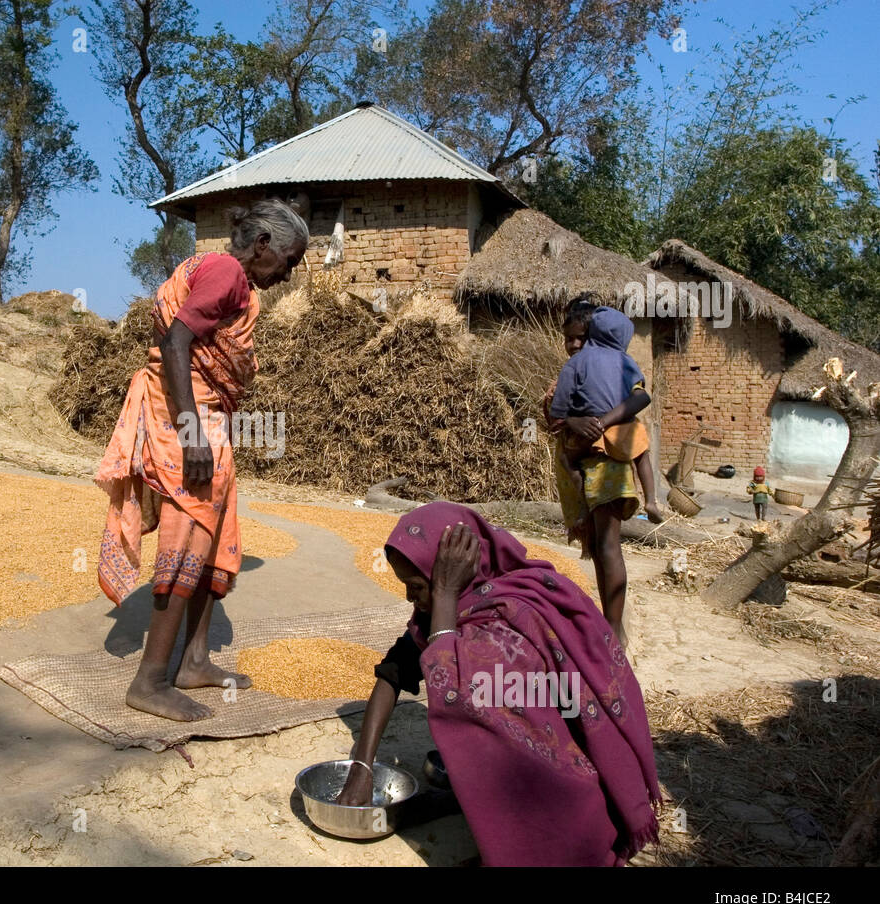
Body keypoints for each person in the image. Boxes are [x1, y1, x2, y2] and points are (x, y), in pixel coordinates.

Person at [336, 502, 661, 866]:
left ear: (451, 574)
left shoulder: (508, 621)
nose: (411, 598)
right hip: (523, 756)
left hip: (562, 787)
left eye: (415, 587)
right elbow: (393, 671)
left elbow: (458, 698)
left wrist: (444, 595)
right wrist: (362, 766)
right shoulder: (452, 608)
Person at [95, 199, 309, 721]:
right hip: (187, 421)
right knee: (187, 536)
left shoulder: (211, 268)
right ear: (263, 244)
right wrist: (192, 436)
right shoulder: (228, 273)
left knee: (211, 536)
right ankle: (150, 681)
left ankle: (193, 662)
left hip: (202, 417)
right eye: (288, 261)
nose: (287, 274)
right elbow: (176, 342)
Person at [548, 302, 654, 644]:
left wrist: (596, 422)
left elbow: (639, 399)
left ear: (593, 336)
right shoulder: (618, 364)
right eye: (569, 339)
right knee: (597, 546)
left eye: (581, 338)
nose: (574, 345)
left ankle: (614, 628)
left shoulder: (585, 366)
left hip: (604, 462)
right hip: (588, 459)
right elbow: (554, 414)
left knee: (608, 546)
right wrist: (576, 420)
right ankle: (610, 621)